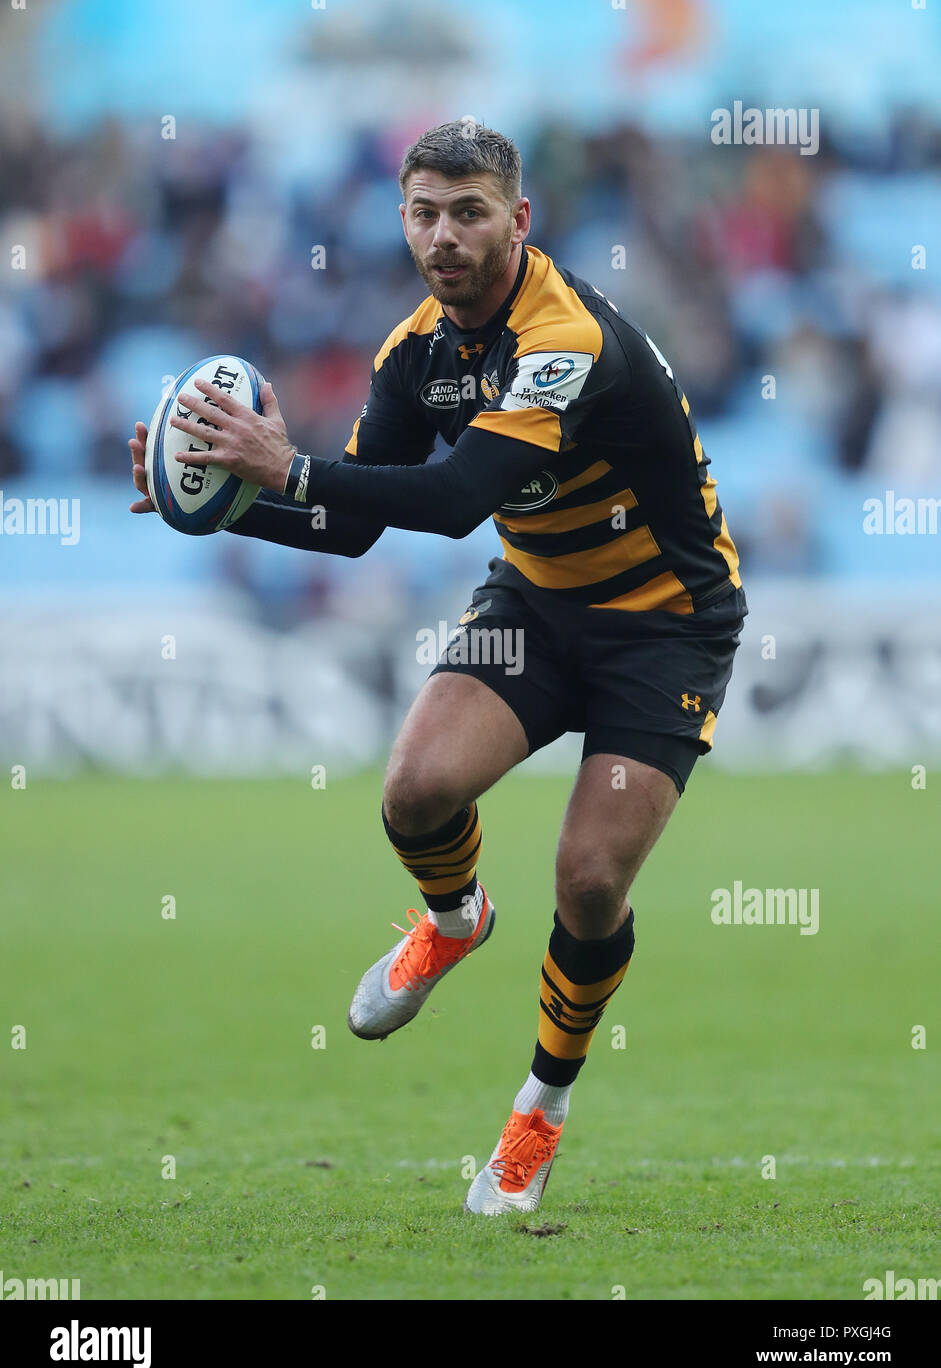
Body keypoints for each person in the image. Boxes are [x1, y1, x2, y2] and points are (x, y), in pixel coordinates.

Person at [130, 120, 746, 1215]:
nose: (444, 235)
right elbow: (355, 522)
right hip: (540, 603)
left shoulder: (563, 338)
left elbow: (455, 497)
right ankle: (454, 919)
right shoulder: (411, 352)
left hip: (663, 623)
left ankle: (537, 1112)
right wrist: (231, 496)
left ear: (518, 219)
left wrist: (287, 464)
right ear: (401, 218)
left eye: (468, 213)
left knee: (590, 878)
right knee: (414, 789)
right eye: (423, 212)